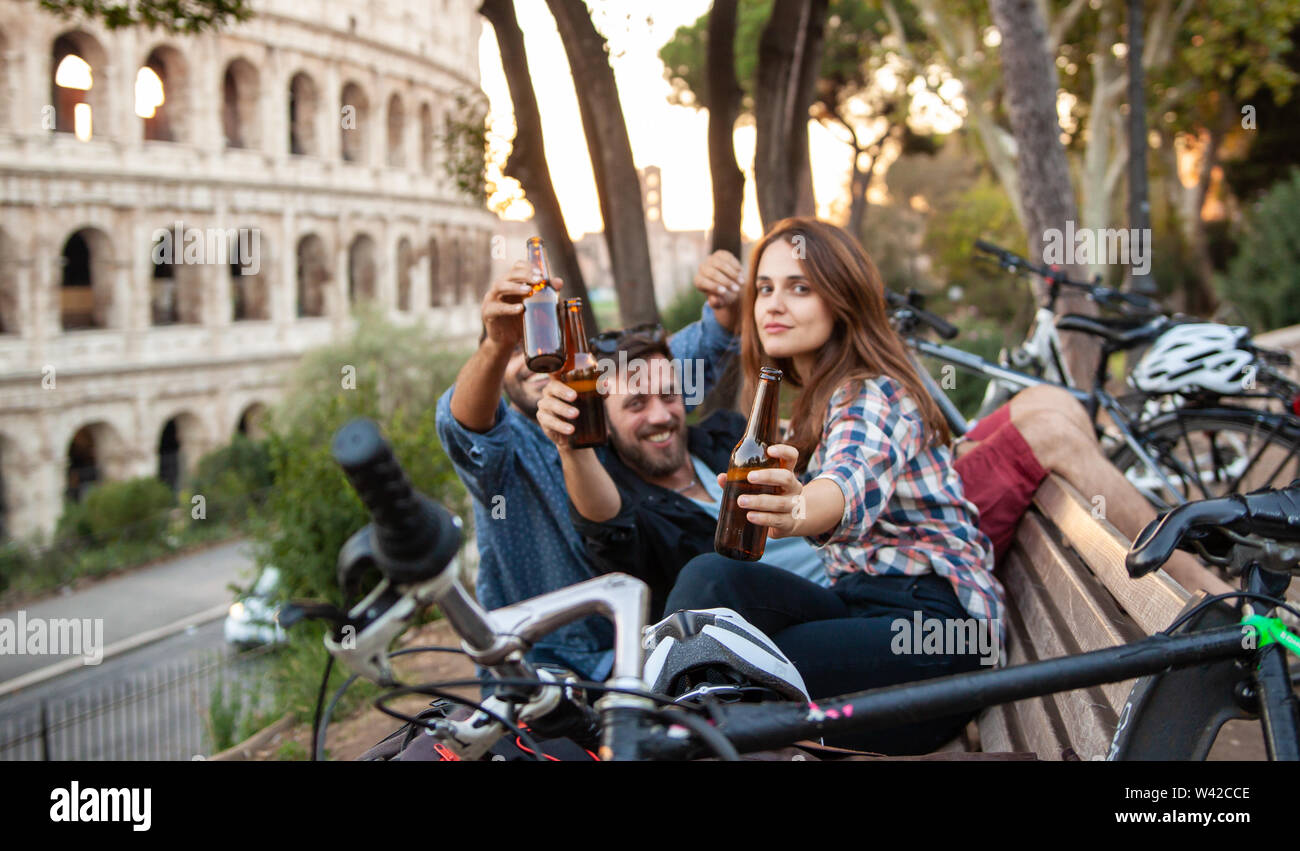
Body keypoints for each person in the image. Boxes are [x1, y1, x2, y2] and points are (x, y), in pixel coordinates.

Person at [435, 249, 744, 681]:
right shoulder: (508, 449)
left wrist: (725, 286)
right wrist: (495, 342)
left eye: (540, 342)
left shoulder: (603, 396)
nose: (531, 363)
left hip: (644, 659)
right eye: (513, 352)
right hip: (545, 672)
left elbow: (698, 349)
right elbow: (461, 426)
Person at [535, 329, 829, 621]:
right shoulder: (628, 508)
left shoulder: (728, 435)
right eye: (637, 403)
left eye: (668, 395)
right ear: (605, 423)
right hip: (785, 626)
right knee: (707, 573)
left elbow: (819, 450)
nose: (660, 415)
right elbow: (605, 524)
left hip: (849, 571)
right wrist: (570, 444)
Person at [950, 383, 1234, 596]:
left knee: (1052, 399)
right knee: (1052, 434)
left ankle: (1116, 566)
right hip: (919, 526)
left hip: (929, 465)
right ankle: (1196, 587)